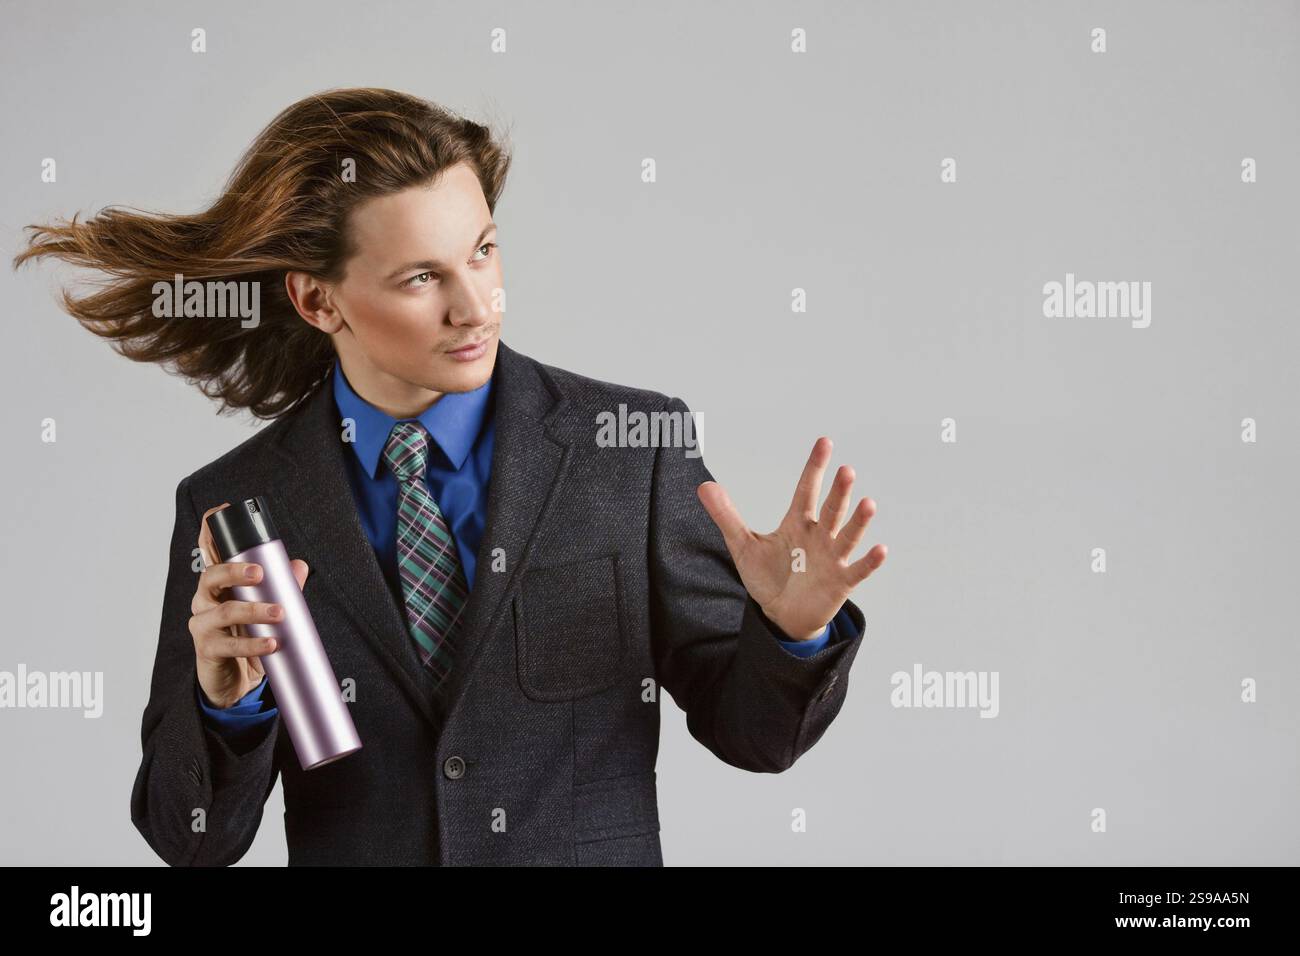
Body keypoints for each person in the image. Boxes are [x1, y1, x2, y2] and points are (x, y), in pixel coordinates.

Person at [13, 87, 888, 866]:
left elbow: (759, 739)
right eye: (423, 276)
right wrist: (227, 706)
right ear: (319, 301)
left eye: (482, 251)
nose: (476, 306)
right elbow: (189, 840)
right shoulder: (236, 507)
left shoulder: (629, 448)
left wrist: (791, 632)